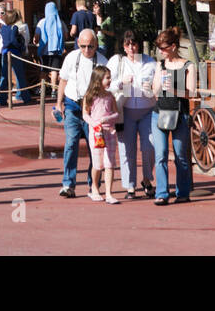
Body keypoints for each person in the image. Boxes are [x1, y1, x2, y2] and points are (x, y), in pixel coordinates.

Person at [56, 28, 108, 198]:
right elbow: (63, 80)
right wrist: (59, 104)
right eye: (84, 46)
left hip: (93, 110)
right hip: (73, 105)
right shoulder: (72, 58)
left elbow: (108, 86)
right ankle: (68, 184)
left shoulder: (102, 61)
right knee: (71, 144)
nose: (87, 50)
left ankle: (93, 184)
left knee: (95, 147)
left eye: (91, 47)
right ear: (78, 44)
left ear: (96, 45)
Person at [107, 28, 156, 198]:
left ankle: (147, 180)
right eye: (127, 44)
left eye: (134, 44)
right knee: (127, 150)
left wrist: (152, 88)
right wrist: (121, 82)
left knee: (150, 147)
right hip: (125, 110)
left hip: (147, 109)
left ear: (139, 45)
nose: (131, 48)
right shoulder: (117, 62)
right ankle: (130, 186)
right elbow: (105, 84)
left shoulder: (150, 62)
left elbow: (159, 84)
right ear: (123, 46)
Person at [150, 28, 196, 205]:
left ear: (173, 46)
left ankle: (183, 192)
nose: (160, 52)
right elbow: (154, 92)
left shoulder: (188, 65)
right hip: (159, 113)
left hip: (180, 114)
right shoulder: (159, 65)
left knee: (180, 156)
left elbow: (191, 92)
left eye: (163, 48)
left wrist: (173, 89)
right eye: (159, 48)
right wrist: (159, 83)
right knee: (160, 154)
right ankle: (161, 193)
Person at [84, 65, 121, 203]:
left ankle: (109, 193)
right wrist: (94, 124)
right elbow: (85, 114)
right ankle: (94, 187)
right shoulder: (90, 96)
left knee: (110, 162)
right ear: (98, 79)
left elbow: (116, 113)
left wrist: (108, 119)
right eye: (107, 78)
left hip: (109, 132)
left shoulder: (110, 96)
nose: (110, 80)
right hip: (96, 133)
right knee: (98, 163)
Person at [35, 1, 66, 90]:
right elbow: (66, 35)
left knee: (44, 70)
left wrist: (36, 40)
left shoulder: (42, 22)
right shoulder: (60, 22)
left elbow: (36, 37)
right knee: (54, 70)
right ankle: (53, 89)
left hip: (45, 50)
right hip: (57, 50)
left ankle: (42, 89)